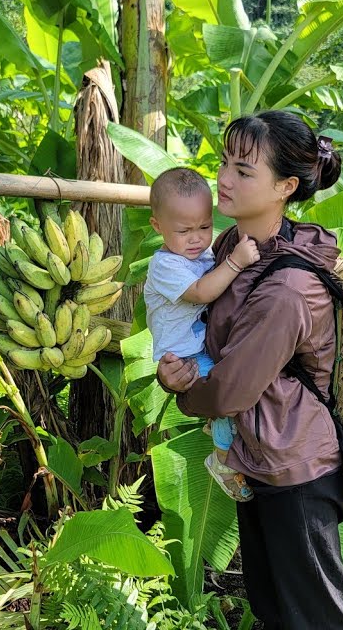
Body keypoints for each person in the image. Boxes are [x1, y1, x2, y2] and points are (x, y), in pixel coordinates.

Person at [156, 111, 343, 629]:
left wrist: (184, 392)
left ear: (285, 187)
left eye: (244, 171)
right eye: (225, 162)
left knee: (317, 620)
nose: (224, 178)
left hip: (295, 466)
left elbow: (230, 388)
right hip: (257, 456)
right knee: (272, 609)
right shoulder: (230, 247)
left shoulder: (289, 285)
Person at [144, 167, 259, 501]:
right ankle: (222, 460)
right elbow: (201, 292)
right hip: (186, 356)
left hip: (203, 347)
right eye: (184, 231)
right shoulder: (165, 265)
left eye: (205, 227)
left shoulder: (203, 253)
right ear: (157, 226)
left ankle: (217, 428)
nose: (196, 238)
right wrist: (236, 262)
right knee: (227, 399)